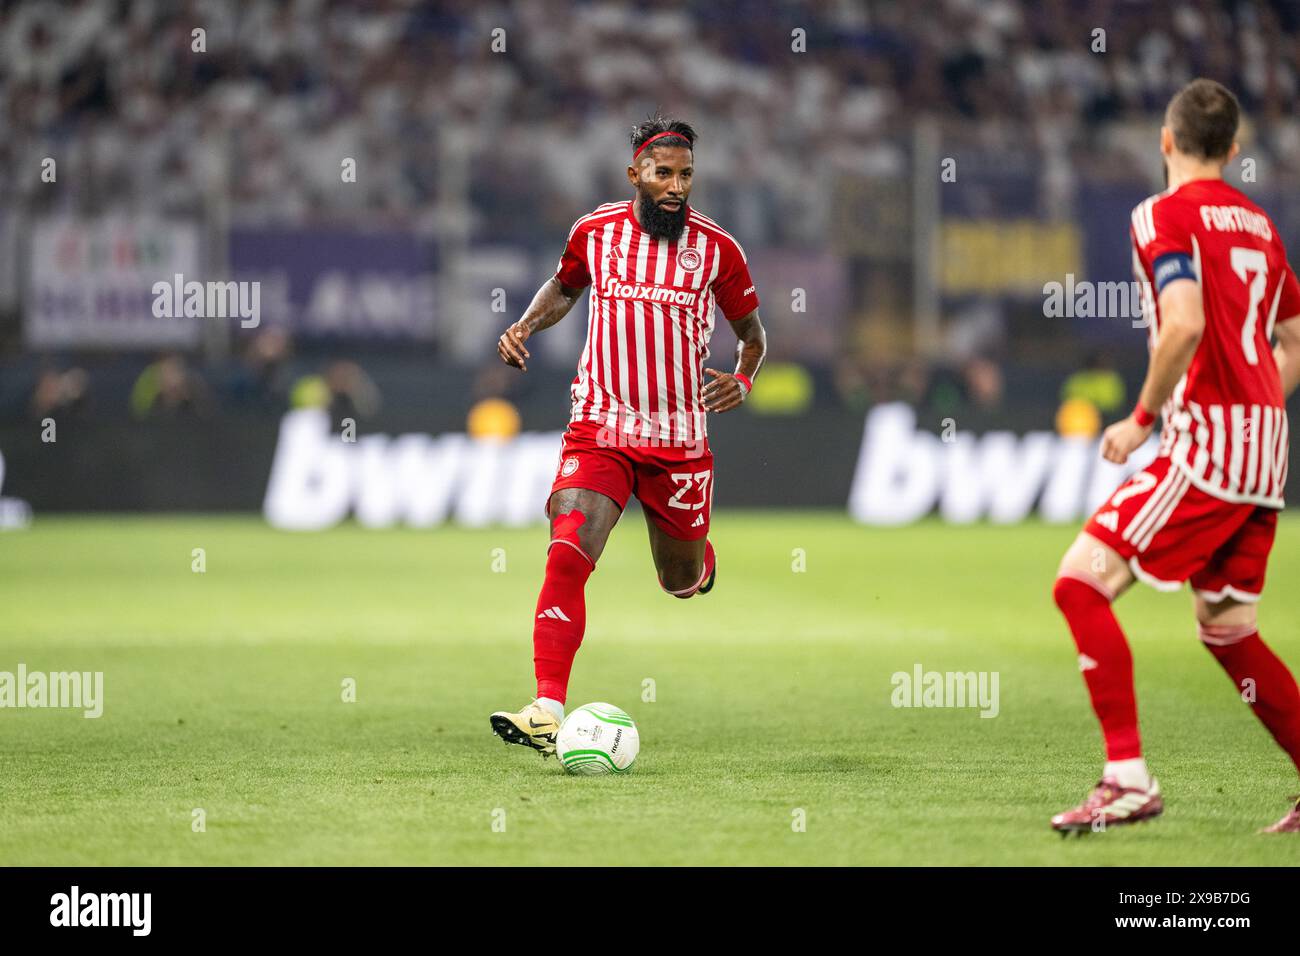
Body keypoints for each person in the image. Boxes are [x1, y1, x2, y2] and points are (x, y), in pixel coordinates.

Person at [1051, 79, 1300, 834]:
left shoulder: (1161, 214)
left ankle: (1126, 779)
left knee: (1079, 585)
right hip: (1265, 451)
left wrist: (1141, 416)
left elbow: (1183, 323)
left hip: (1210, 446)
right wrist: (1258, 403)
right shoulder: (1258, 221)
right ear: (1232, 150)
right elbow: (1295, 341)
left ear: (1166, 140)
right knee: (1228, 627)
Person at [489, 114, 767, 756]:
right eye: (663, 173)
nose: (676, 186)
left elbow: (753, 337)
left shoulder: (718, 250)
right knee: (568, 550)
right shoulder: (596, 232)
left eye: (686, 175)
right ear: (635, 173)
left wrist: (743, 380)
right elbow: (563, 287)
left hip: (679, 442)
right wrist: (526, 327)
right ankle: (547, 707)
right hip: (601, 426)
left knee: (680, 583)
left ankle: (699, 563)